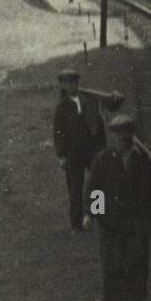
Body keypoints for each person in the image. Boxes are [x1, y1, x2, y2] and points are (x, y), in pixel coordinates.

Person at [87, 114, 151, 301]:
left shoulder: (143, 159)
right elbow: (94, 189)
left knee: (137, 261)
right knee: (113, 265)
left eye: (124, 135)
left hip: (137, 222)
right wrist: (94, 214)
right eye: (116, 135)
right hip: (112, 222)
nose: (120, 140)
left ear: (131, 136)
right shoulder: (103, 159)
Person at [52, 69, 102, 231]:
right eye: (67, 83)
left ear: (77, 83)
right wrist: (61, 156)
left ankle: (97, 215)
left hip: (91, 149)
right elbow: (58, 133)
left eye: (74, 82)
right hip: (72, 153)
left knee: (97, 182)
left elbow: (97, 124)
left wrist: (101, 149)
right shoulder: (61, 107)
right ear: (63, 86)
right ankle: (76, 224)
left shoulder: (87, 100)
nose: (71, 86)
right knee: (75, 188)